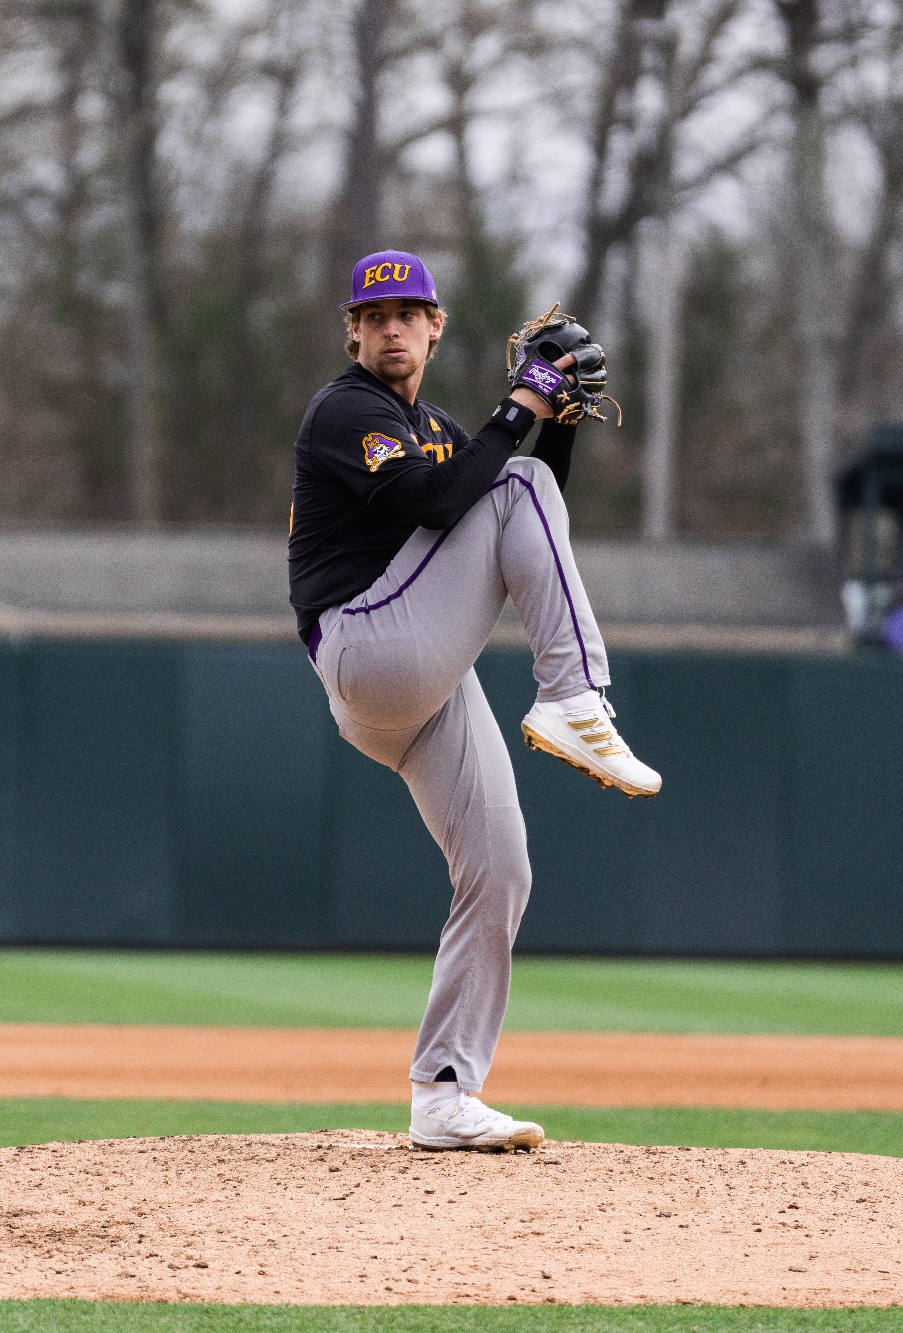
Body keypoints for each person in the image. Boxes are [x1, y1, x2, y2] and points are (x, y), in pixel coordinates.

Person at [287, 250, 660, 1154]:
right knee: (512, 481)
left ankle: (445, 1091)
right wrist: (519, 409)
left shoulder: (443, 425)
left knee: (500, 867)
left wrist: (556, 416)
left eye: (407, 314)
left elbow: (533, 514)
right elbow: (446, 495)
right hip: (367, 646)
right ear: (353, 330)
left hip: (418, 687)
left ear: (436, 326)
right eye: (375, 317)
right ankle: (572, 696)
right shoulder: (348, 411)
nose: (391, 329)